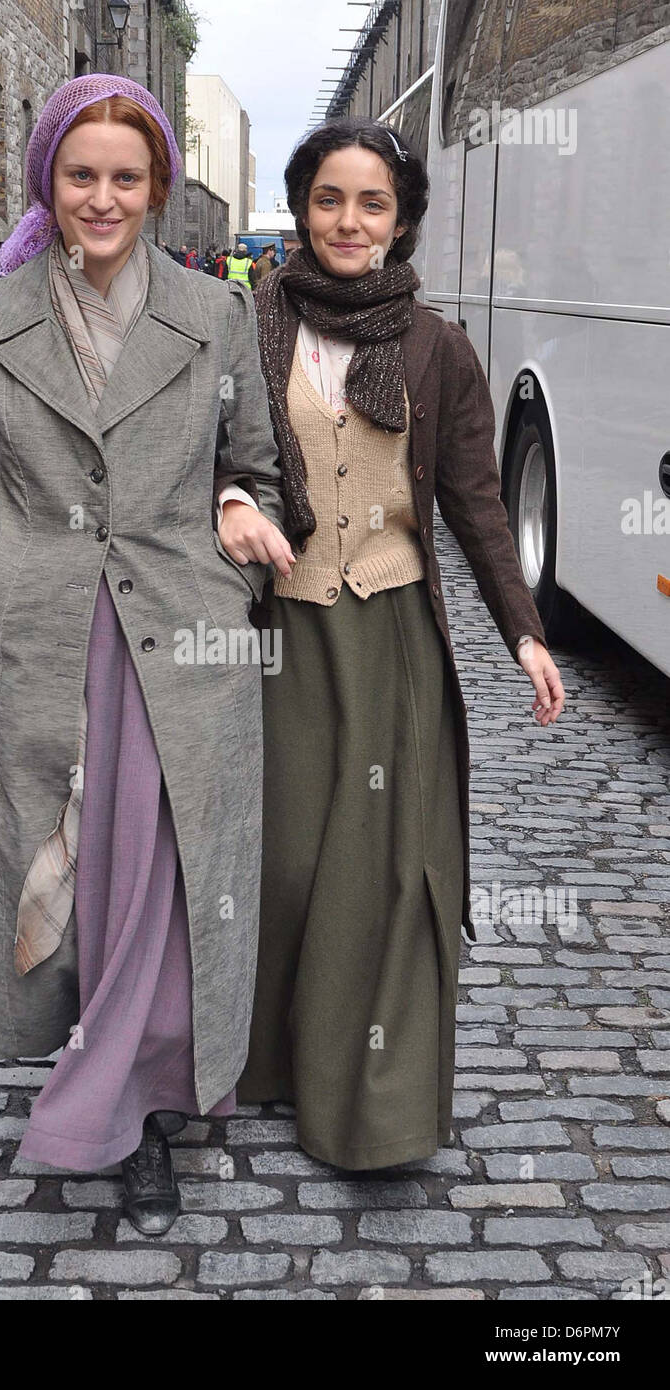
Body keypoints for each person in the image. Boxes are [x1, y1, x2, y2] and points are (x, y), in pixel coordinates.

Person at [0, 73, 292, 1235]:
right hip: (48, 638)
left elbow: (255, 465)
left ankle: (132, 1107)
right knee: (70, 870)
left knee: (161, 875)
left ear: (158, 188)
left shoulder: (215, 315)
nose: (101, 197)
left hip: (177, 637)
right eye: (79, 174)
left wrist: (237, 513)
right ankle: (90, 1056)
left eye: (125, 177)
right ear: (48, 179)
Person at [230, 117, 566, 1171]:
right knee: (284, 859)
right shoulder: (245, 324)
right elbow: (204, 453)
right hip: (282, 627)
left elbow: (473, 499)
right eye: (329, 199)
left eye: (371, 203)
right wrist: (232, 496)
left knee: (377, 871)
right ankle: (265, 1063)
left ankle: (365, 1105)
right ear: (301, 206)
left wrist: (522, 631)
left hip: (392, 634)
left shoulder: (436, 346)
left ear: (401, 218)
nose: (348, 221)